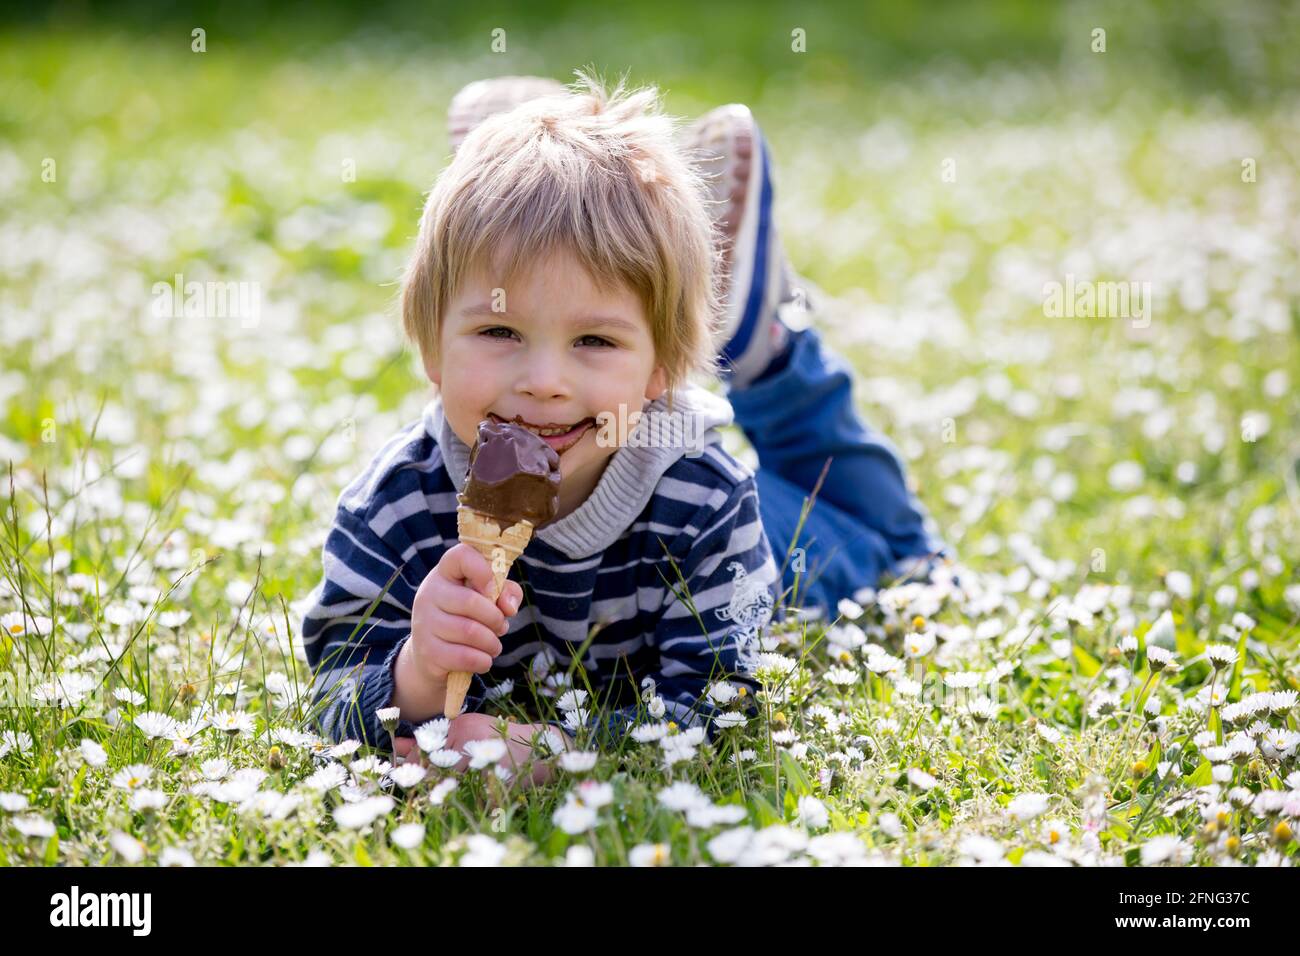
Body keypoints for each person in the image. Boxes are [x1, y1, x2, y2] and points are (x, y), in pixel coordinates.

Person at [299, 72, 946, 787]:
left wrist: (556, 755)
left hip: (792, 551)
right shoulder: (395, 502)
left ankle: (766, 344)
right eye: (499, 328)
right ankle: (555, 161)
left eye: (594, 342)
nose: (543, 381)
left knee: (901, 549)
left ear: (660, 371)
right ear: (429, 346)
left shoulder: (706, 502)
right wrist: (415, 674)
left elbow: (723, 710)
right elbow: (327, 686)